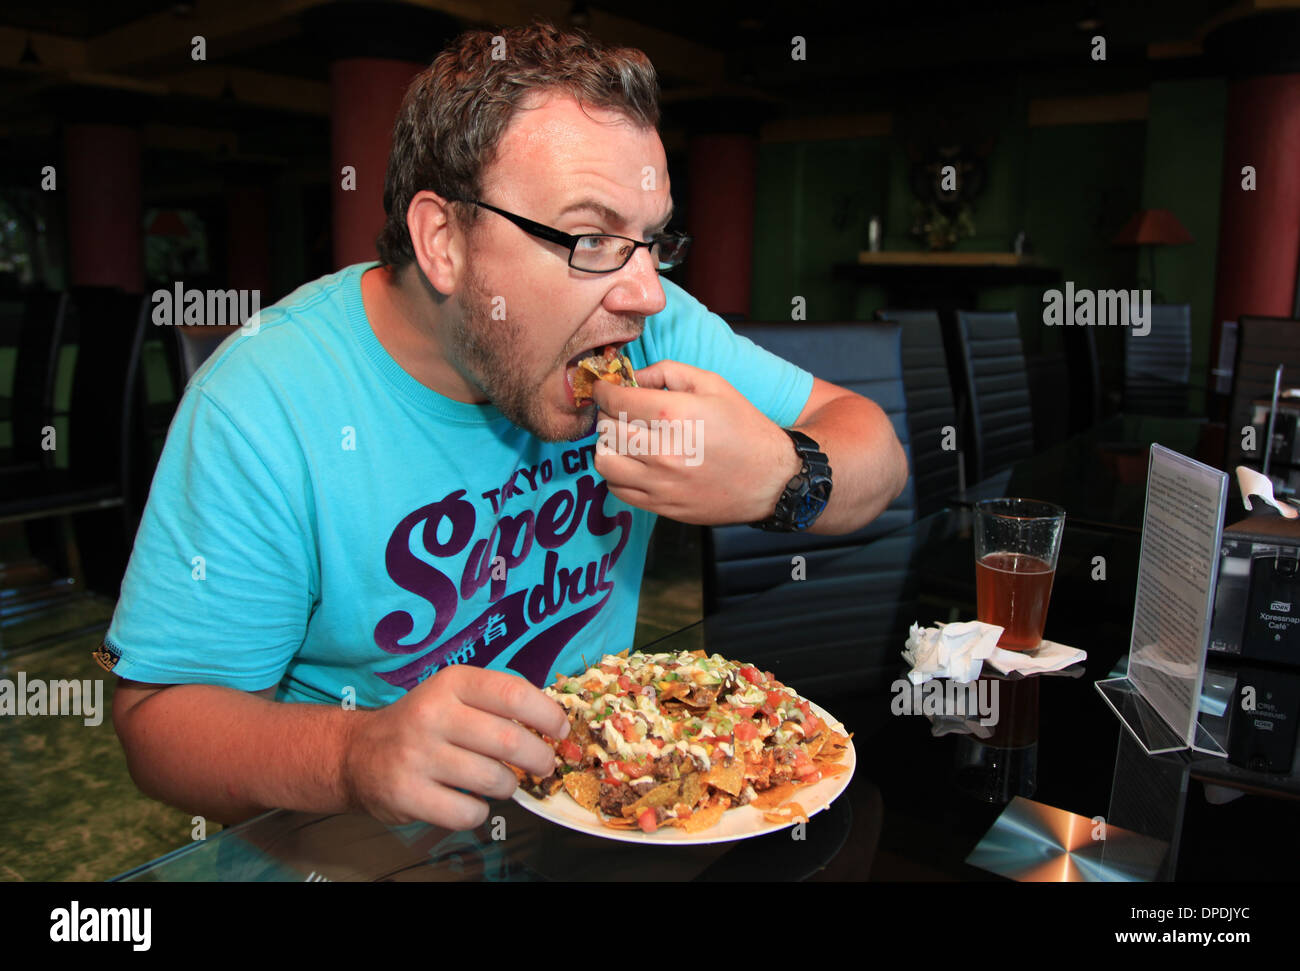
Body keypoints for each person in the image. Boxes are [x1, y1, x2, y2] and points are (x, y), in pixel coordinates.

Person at [106, 21, 908, 832]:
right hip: (359, 845)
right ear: (443, 240)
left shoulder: (652, 328)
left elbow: (874, 445)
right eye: (590, 237)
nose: (647, 293)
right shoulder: (264, 402)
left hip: (595, 819)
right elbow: (157, 725)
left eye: (651, 241)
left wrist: (782, 474)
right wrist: (355, 753)